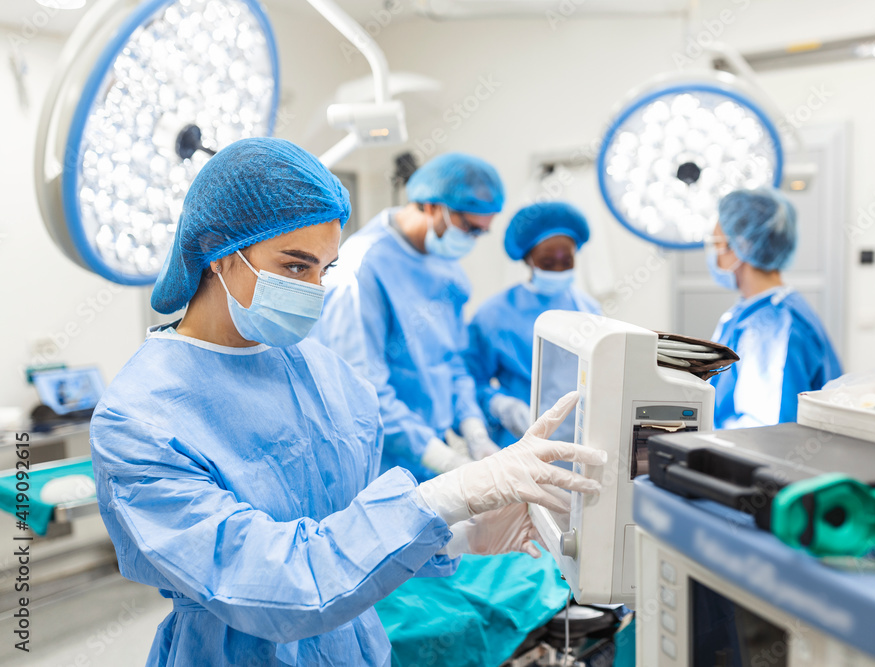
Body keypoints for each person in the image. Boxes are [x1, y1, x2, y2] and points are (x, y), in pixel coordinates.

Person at [88, 138, 605, 667]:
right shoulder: (140, 418)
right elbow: (283, 584)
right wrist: (447, 492)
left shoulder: (330, 379)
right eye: (295, 267)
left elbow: (347, 533)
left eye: (324, 269)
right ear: (218, 250)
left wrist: (456, 535)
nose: (315, 289)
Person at [313, 153, 504, 482]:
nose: (472, 240)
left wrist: (474, 429)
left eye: (481, 233)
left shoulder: (450, 272)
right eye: (469, 228)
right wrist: (442, 459)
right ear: (432, 206)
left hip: (429, 449)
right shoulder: (362, 268)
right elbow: (364, 391)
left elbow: (453, 361)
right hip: (377, 461)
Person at [705, 187, 842, 429]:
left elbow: (764, 435)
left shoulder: (772, 325)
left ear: (742, 245)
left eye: (718, 243)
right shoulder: (757, 311)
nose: (714, 255)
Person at [465, 201, 600, 446]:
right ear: (528, 259)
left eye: (567, 261)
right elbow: (469, 379)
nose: (558, 269)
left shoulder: (589, 309)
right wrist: (500, 405)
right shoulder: (494, 314)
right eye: (548, 263)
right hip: (519, 439)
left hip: (580, 440)